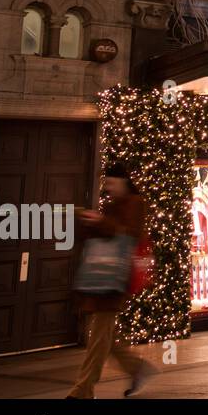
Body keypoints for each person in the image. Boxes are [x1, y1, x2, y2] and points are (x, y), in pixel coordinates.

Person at [68, 165, 155, 399]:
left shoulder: (135, 203)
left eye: (111, 183)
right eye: (106, 184)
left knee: (98, 336)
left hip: (115, 278)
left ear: (124, 182)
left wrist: (99, 222)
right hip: (102, 277)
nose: (108, 188)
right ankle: (136, 368)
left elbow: (126, 233)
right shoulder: (112, 205)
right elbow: (103, 234)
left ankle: (83, 390)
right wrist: (89, 223)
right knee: (102, 335)